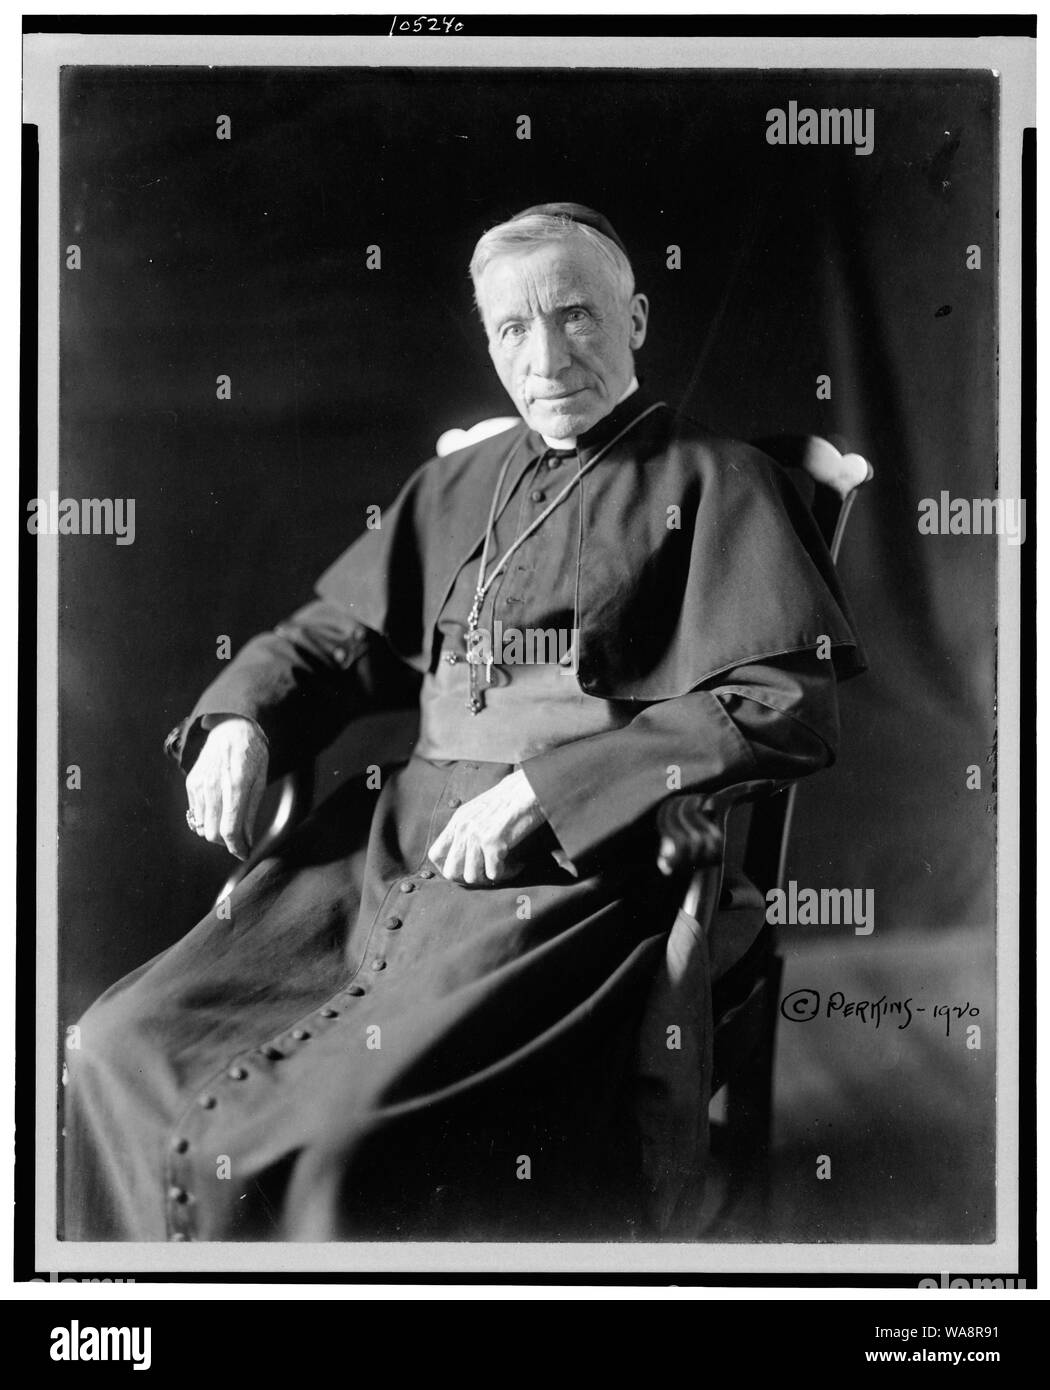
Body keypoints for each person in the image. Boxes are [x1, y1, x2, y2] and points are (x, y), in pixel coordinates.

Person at [63, 202, 863, 1243]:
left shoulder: (720, 481)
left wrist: (547, 789)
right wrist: (243, 721)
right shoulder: (457, 482)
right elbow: (333, 640)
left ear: (637, 317)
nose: (546, 356)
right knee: (115, 1042)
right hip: (386, 852)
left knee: (328, 1138)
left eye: (575, 315)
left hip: (578, 872)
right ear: (488, 341)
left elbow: (786, 705)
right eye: (511, 329)